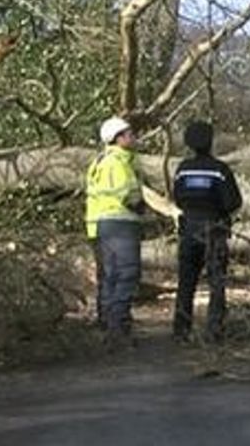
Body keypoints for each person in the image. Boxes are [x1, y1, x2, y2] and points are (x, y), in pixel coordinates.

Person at [172, 120, 242, 343]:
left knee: (186, 282)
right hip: (215, 228)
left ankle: (181, 330)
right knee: (216, 282)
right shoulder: (220, 170)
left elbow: (178, 197)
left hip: (189, 227)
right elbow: (233, 201)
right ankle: (215, 329)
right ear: (210, 141)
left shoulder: (182, 170)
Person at [85, 116, 144, 347]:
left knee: (109, 277)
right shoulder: (118, 162)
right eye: (129, 134)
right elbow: (129, 196)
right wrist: (144, 210)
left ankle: (108, 324)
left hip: (100, 225)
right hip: (119, 224)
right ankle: (119, 327)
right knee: (127, 274)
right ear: (117, 139)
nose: (133, 137)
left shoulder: (101, 161)